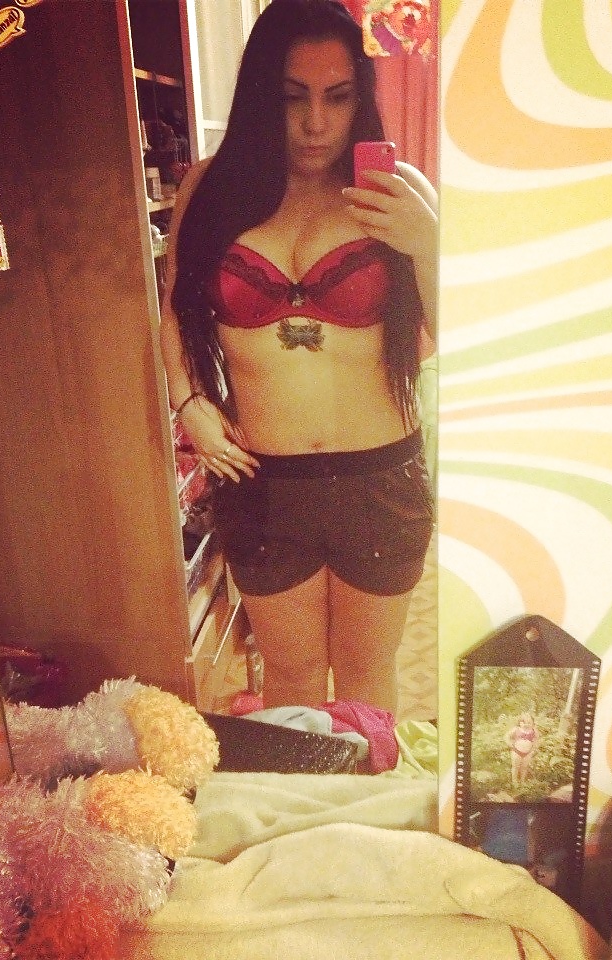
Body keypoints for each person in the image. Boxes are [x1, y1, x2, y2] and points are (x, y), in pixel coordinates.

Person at [160, 0, 437, 713]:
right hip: (262, 481)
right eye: (293, 97)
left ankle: (364, 791)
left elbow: (453, 334)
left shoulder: (398, 197)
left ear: (360, 99)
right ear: (262, 95)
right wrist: (191, 404)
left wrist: (428, 245)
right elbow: (175, 309)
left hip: (380, 478)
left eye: (338, 97)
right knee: (290, 683)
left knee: (367, 686)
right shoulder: (210, 191)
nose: (316, 122)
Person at [505, 713, 539, 788]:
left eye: (529, 722)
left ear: (533, 723)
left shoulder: (533, 731)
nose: (526, 724)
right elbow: (507, 736)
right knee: (515, 766)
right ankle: (514, 781)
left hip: (528, 752)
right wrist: (509, 744)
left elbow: (537, 738)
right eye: (524, 722)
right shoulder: (516, 729)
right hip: (516, 751)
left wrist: (534, 747)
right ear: (520, 723)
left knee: (524, 767)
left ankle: (522, 781)